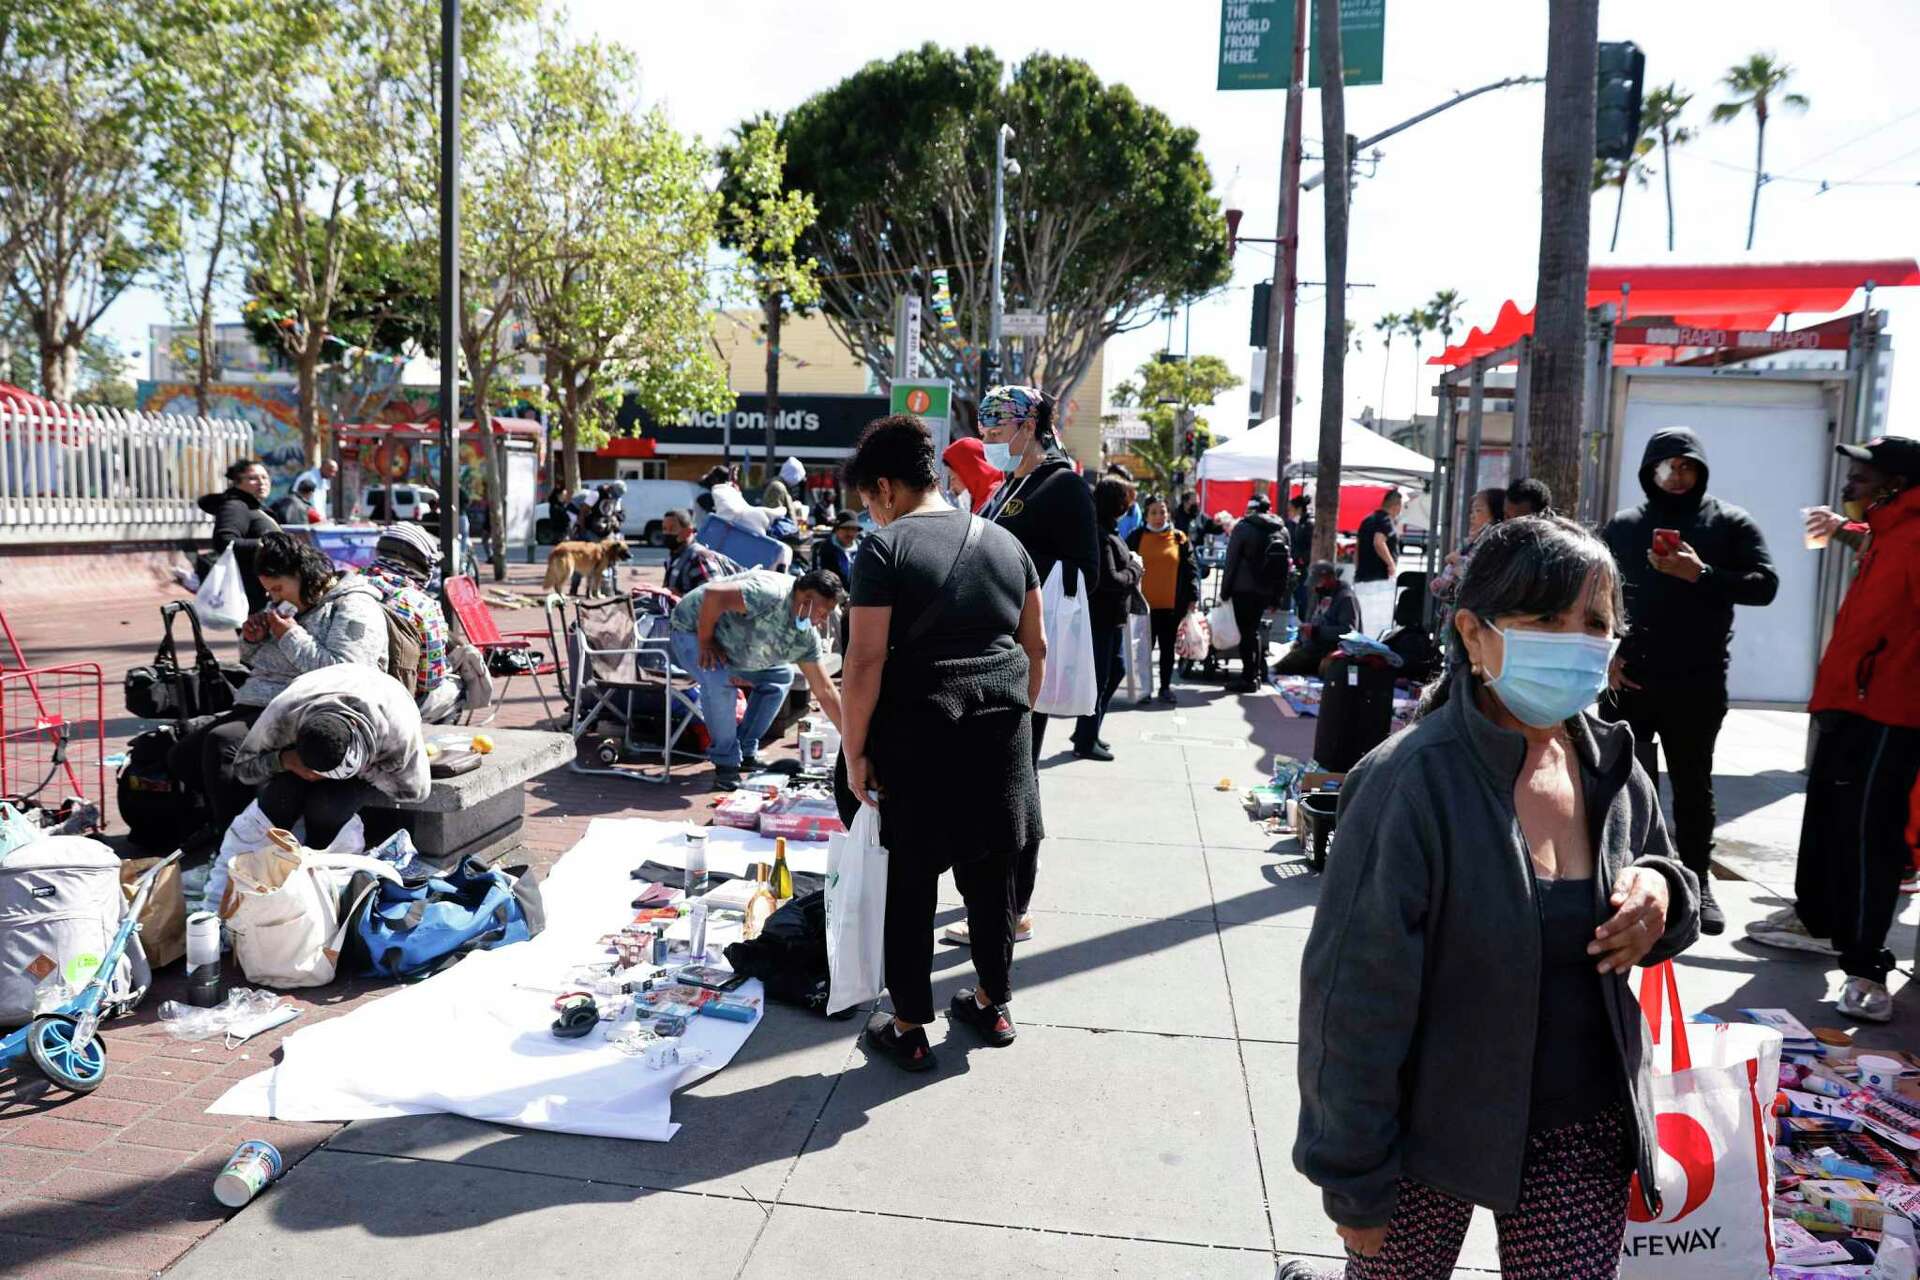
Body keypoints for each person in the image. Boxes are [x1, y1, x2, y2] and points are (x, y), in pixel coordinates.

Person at [1288, 515, 1699, 1280]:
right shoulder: (1411, 781)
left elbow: (1677, 889)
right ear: (1474, 635)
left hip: (1582, 1129)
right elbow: (1352, 998)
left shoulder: (1613, 763)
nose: (1576, 641)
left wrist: (1661, 894)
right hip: (1424, 1134)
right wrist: (1353, 1181)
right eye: (1547, 618)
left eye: (1596, 622)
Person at [833, 415, 1045, 1072]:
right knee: (993, 874)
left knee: (912, 879)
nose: (872, 513)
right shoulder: (1008, 544)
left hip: (921, 734)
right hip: (1002, 730)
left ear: (887, 489)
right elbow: (1034, 648)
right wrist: (1012, 720)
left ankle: (908, 1026)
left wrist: (853, 750)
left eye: (869, 500)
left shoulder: (883, 551)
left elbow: (863, 663)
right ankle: (993, 1000)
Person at [1747, 435, 1920, 1023]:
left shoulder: (1915, 534)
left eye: (1862, 476)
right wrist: (1848, 531)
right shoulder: (1888, 530)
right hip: (1854, 705)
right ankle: (1830, 927)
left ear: (1896, 483)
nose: (1850, 486)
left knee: (1875, 838)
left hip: (1893, 715)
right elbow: (1875, 546)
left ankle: (1868, 968)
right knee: (1843, 829)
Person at [1600, 428, 1778, 938]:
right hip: (1629, 679)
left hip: (1697, 683)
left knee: (1693, 786)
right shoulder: (1626, 525)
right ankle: (1624, 873)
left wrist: (1701, 574)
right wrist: (1607, 654)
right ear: (1649, 470)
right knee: (1623, 782)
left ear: (1701, 470)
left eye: (1686, 467)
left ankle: (1696, 880)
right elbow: (1595, 591)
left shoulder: (1728, 523)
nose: (1676, 477)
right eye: (1666, 467)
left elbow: (1765, 585)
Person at [972, 384, 1097, 947]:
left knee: (1015, 783)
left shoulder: (1063, 484)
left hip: (1027, 658)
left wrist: (1019, 573)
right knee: (993, 783)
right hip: (989, 651)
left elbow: (1084, 571)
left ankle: (1014, 906)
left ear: (1027, 425)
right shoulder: (1009, 486)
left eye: (997, 430)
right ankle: (994, 900)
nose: (989, 440)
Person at [171, 531, 388, 840]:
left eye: (278, 588)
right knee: (182, 754)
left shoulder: (353, 606)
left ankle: (238, 844)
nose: (273, 598)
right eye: (268, 591)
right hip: (259, 702)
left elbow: (346, 673)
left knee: (223, 745)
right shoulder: (290, 604)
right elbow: (254, 659)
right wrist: (252, 638)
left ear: (303, 576)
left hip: (308, 708)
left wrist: (291, 636)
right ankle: (239, 817)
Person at [668, 567, 846, 791]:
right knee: (718, 680)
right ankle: (726, 765)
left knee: (780, 675)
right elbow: (714, 595)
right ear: (807, 599)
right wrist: (706, 641)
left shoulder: (805, 637)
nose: (824, 619)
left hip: (731, 645)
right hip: (692, 630)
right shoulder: (770, 593)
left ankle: (745, 750)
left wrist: (852, 743)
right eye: (824, 611)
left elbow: (825, 691)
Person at [228, 665, 429, 855]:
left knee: (327, 807)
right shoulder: (286, 713)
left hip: (380, 703)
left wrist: (365, 770)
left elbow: (415, 792)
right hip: (316, 696)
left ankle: (319, 867)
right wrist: (282, 760)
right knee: (279, 798)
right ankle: (268, 863)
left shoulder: (397, 729)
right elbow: (243, 768)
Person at [1070, 477, 1144, 761]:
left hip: (1111, 618)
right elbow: (1110, 579)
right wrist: (1135, 570)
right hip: (1101, 618)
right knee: (1100, 678)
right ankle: (1085, 740)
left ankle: (1087, 732)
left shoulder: (1108, 532)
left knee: (1114, 672)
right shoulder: (1101, 534)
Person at [360, 522, 456, 722]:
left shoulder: (349, 586)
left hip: (350, 696)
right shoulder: (423, 605)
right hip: (397, 706)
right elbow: (430, 680)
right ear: (419, 563)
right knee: (455, 688)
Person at [1127, 495, 1200, 705]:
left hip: (1172, 607)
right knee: (1144, 651)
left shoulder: (1179, 538)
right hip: (1143, 607)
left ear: (1169, 513)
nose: (1159, 517)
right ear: (1147, 514)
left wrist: (1193, 597)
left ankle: (1166, 687)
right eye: (1154, 513)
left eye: (1163, 512)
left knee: (1168, 649)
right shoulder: (1136, 536)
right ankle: (1145, 688)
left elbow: (1191, 569)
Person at [194, 458, 280, 615]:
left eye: (265, 477)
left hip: (263, 588)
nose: (262, 483)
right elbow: (224, 542)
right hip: (250, 591)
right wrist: (267, 545)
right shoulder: (235, 506)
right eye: (253, 478)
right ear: (237, 483)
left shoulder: (253, 506)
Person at [1220, 493, 1287, 691]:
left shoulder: (1243, 527)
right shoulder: (1282, 530)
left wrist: (1225, 592)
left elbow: (1230, 562)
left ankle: (1249, 677)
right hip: (1266, 590)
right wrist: (1277, 597)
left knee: (1246, 632)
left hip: (1244, 589)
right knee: (1253, 630)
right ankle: (1255, 674)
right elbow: (1285, 568)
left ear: (1251, 508)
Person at [1274, 562, 1360, 676]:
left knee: (1286, 665)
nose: (1315, 587)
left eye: (1318, 583)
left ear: (1329, 578)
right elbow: (1313, 620)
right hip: (1315, 646)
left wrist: (1316, 631)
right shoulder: (1321, 595)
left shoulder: (1345, 598)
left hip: (1333, 649)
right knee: (1285, 659)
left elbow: (1348, 631)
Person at [1431, 487, 1506, 608]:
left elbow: (1480, 580)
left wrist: (1458, 563)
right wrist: (1443, 585)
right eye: (1472, 511)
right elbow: (1450, 588)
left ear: (1496, 515)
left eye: (1478, 510)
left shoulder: (1495, 544)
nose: (1472, 516)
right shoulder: (1470, 543)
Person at [660, 508, 738, 598]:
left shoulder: (699, 557)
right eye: (664, 529)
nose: (666, 533)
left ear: (688, 532)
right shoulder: (673, 559)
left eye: (672, 529)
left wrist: (680, 596)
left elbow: (715, 595)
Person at [942, 436, 1003, 514]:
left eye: (953, 478)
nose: (951, 487)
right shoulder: (981, 500)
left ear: (969, 474)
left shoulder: (995, 501)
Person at [1354, 489, 1403, 584]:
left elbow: (1357, 548)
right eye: (1402, 506)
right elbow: (1378, 542)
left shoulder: (1367, 520)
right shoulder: (1386, 520)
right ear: (1397, 506)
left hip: (1362, 576)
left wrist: (1358, 570)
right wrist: (1391, 564)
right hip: (1379, 577)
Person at [1286, 494, 1315, 618]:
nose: (1289, 513)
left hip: (1304, 568)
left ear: (1298, 509)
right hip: (1295, 567)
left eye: (1290, 509)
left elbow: (1309, 546)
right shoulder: (1293, 525)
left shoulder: (1308, 525)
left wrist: (1302, 559)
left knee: (1303, 599)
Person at [816, 511, 861, 586]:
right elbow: (820, 579)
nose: (850, 533)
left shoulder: (863, 549)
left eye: (853, 529)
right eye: (846, 529)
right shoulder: (825, 549)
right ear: (836, 529)